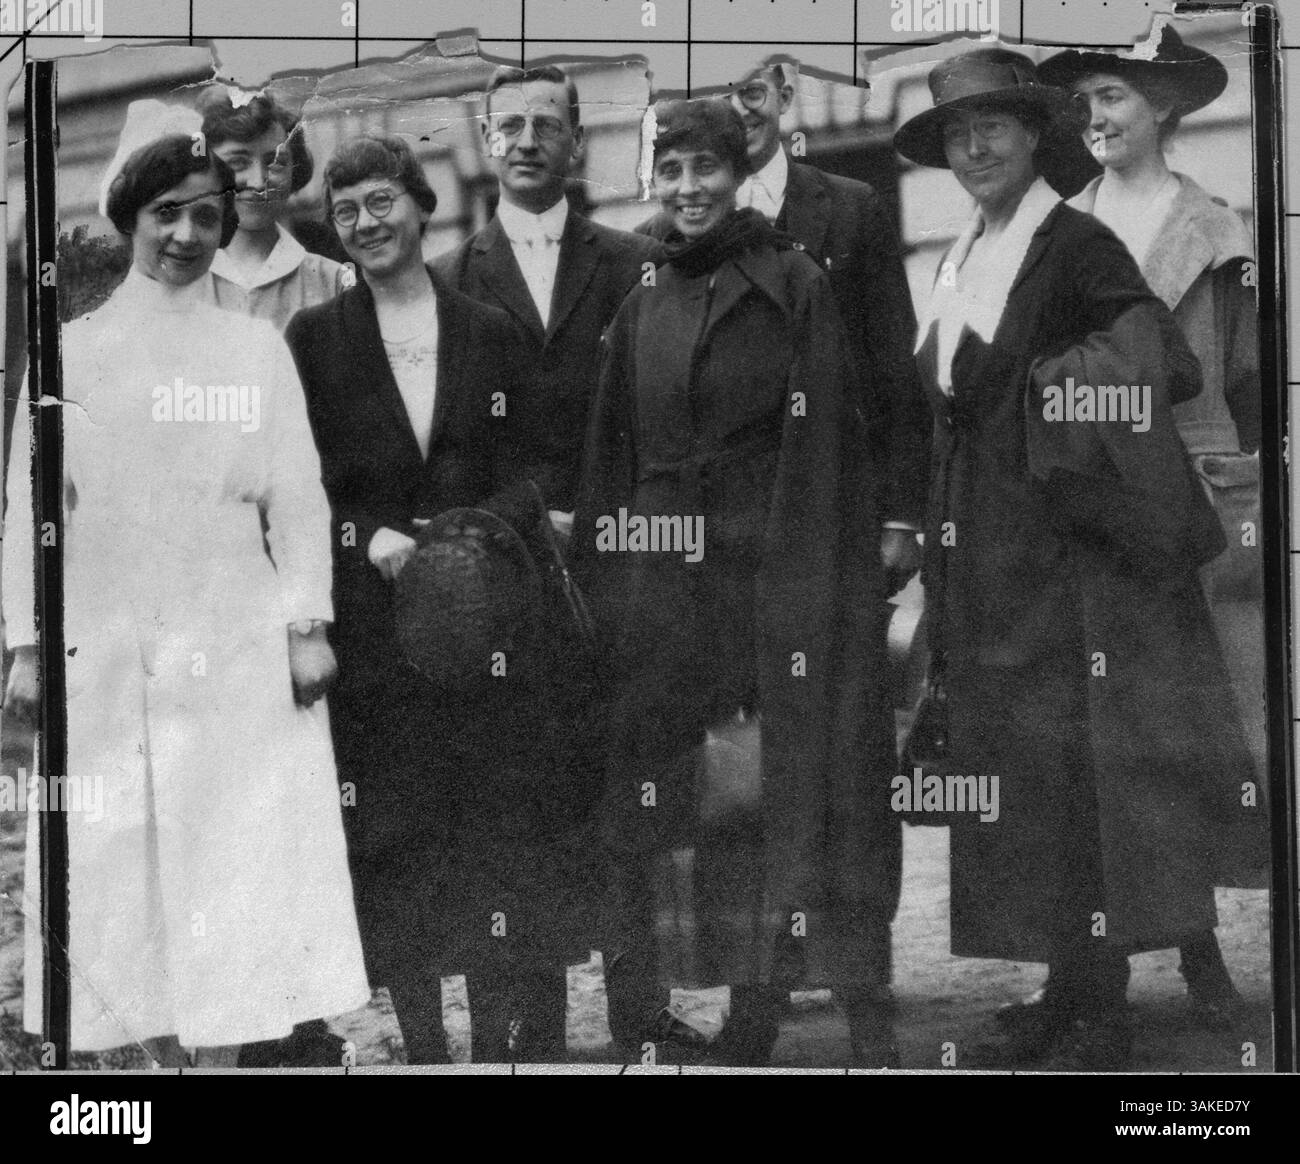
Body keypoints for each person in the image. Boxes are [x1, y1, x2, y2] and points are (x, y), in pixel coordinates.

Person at [892, 47, 1257, 1070]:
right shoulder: (959, 255)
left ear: (1032, 132)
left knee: (1098, 772)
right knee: (1030, 776)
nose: (974, 146)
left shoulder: (1075, 240)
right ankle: (1067, 978)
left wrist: (1043, 406)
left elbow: (1160, 359)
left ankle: (1122, 986)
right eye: (958, 134)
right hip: (988, 555)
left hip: (1076, 556)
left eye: (994, 126)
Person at [1, 100, 369, 1066]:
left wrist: (307, 624)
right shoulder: (72, 352)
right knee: (127, 867)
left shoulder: (253, 350)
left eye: (207, 216)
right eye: (166, 212)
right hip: (110, 638)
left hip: (234, 636)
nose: (186, 235)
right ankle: (160, 1066)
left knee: (235, 859)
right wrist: (28, 646)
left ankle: (224, 1063)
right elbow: (30, 514)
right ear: (130, 217)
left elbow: (296, 498)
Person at [572, 99, 894, 1067]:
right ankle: (710, 998)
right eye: (667, 172)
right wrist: (611, 578)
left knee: (788, 788)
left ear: (738, 170)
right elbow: (611, 456)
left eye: (702, 169)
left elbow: (834, 434)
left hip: (776, 572)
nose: (685, 190)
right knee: (703, 796)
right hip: (668, 591)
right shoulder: (643, 300)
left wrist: (807, 569)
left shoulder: (794, 280)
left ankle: (784, 1004)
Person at [285, 134, 567, 1063]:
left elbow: (539, 470)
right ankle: (426, 1050)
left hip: (488, 633)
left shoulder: (491, 331)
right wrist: (368, 537)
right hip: (375, 636)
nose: (367, 224)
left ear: (423, 204)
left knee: (490, 833)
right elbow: (302, 487)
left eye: (382, 202)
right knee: (400, 844)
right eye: (347, 212)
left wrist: (467, 531)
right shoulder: (315, 343)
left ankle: (490, 1048)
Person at [1039, 25, 1266, 1029]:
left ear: (1162, 108)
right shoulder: (1056, 232)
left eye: (1114, 97)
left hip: (1200, 509)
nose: (1094, 117)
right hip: (1093, 509)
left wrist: (1251, 474)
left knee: (1202, 739)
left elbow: (1255, 381)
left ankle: (1211, 957)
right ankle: (1106, 970)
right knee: (1103, 747)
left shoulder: (1219, 231)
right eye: (1083, 100)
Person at [199, 86, 351, 331]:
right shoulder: (179, 273)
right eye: (237, 162)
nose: (258, 182)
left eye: (275, 163)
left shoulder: (332, 279)